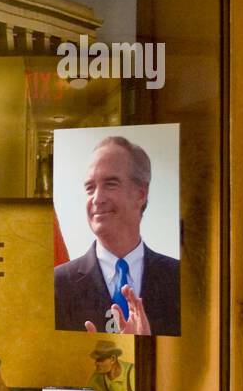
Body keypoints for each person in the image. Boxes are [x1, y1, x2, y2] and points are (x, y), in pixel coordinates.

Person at [54, 135, 181, 335]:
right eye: (90, 188)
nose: (97, 198)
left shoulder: (179, 279)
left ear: (140, 194)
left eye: (110, 184)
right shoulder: (58, 285)